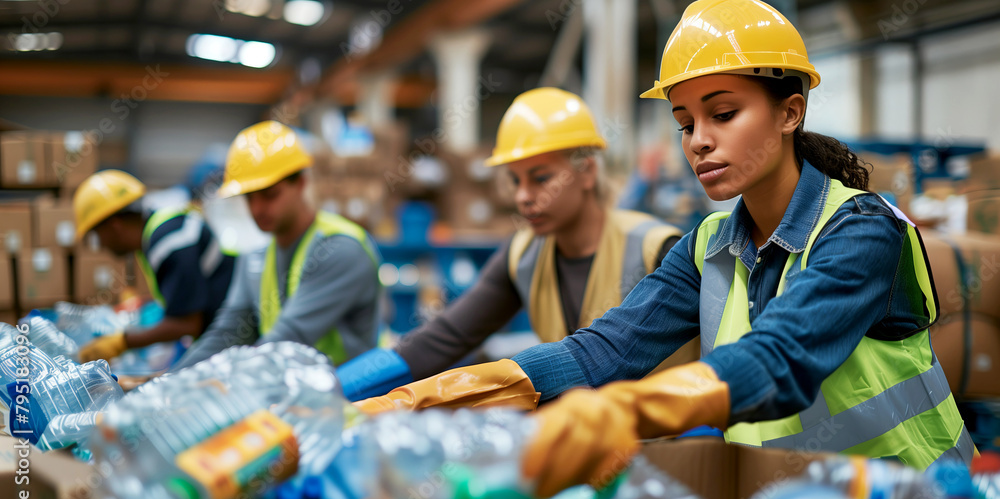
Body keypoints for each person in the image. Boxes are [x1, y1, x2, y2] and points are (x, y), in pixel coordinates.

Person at [355, 0, 973, 498]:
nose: (698, 142)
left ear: (790, 113)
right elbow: (604, 350)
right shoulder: (706, 246)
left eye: (723, 113)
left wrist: (621, 412)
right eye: (684, 123)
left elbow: (779, 360)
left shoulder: (862, 230)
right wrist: (420, 398)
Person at [335, 87, 694, 401]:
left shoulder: (655, 250)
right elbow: (446, 337)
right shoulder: (524, 254)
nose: (523, 197)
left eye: (541, 179)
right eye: (515, 180)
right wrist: (338, 389)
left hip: (666, 448)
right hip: (582, 440)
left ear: (587, 171)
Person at [170, 121, 382, 370]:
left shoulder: (341, 249)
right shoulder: (256, 255)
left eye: (270, 195)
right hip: (287, 390)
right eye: (249, 198)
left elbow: (289, 339)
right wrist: (168, 385)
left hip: (343, 397)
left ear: (301, 183)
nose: (257, 209)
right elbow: (227, 334)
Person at [74, 170, 235, 363]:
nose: (100, 246)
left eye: (96, 235)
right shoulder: (159, 232)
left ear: (114, 225)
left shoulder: (168, 242)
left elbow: (187, 324)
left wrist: (121, 342)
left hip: (234, 344)